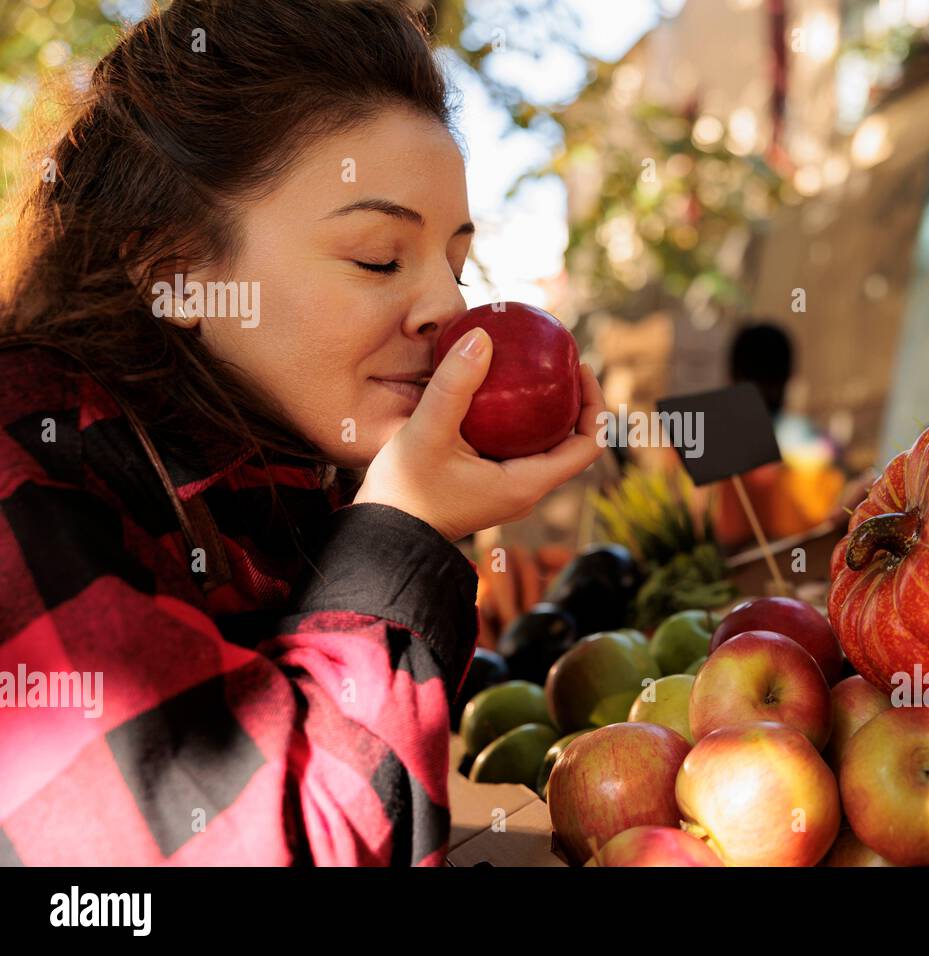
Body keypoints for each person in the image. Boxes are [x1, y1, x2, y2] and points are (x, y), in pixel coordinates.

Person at [0, 0, 604, 865]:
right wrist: (405, 535)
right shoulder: (25, 465)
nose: (450, 306)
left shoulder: (285, 470)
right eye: (378, 258)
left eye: (456, 265)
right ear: (175, 272)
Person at [712, 321, 844, 548]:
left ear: (733, 376)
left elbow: (723, 535)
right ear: (789, 378)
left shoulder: (714, 443)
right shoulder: (822, 444)